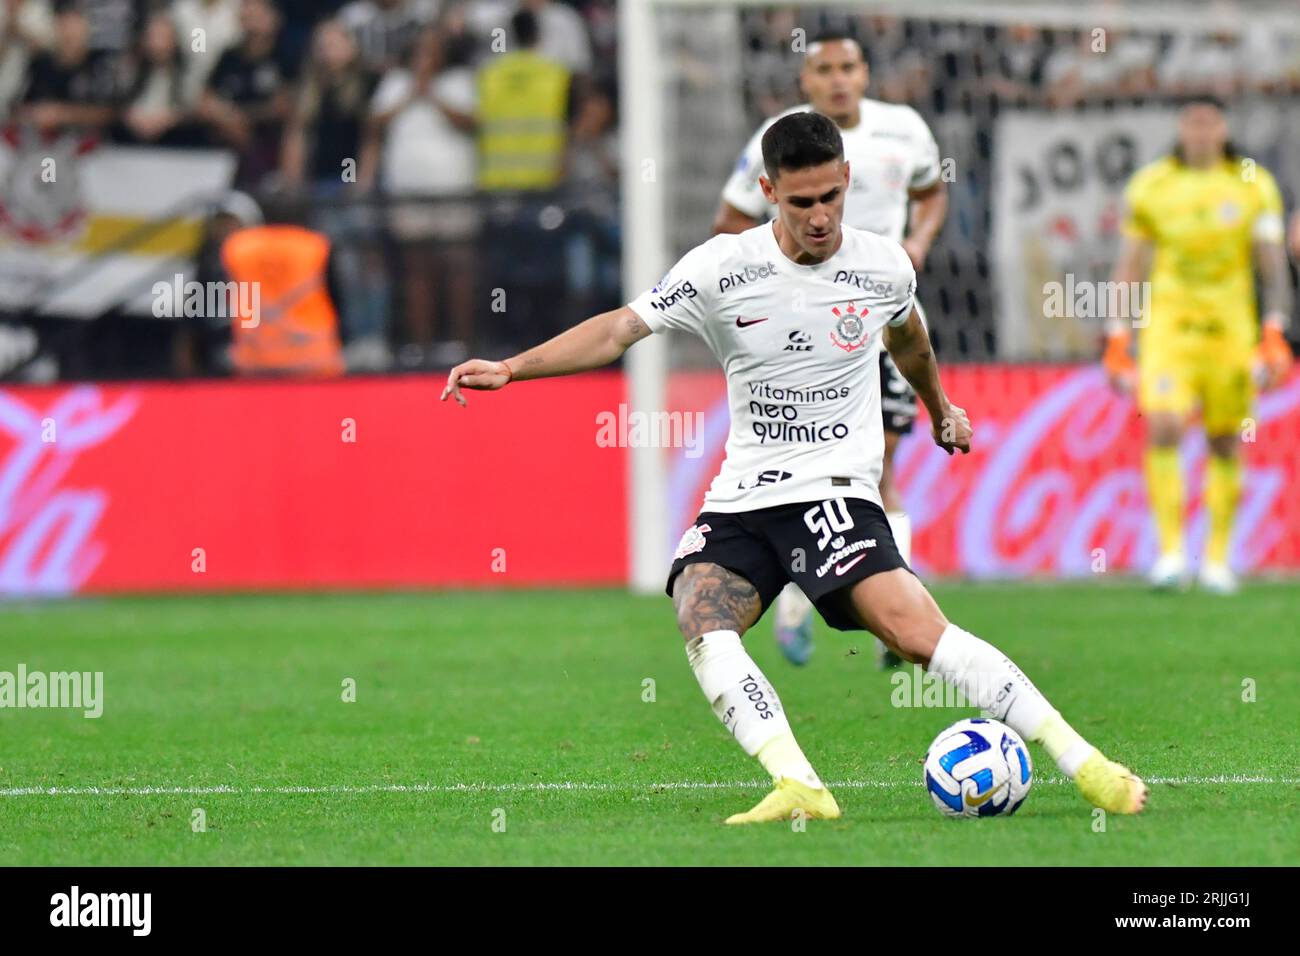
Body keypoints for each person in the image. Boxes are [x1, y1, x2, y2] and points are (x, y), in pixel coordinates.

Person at [442, 111, 1147, 824]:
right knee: (699, 609)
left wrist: (940, 409)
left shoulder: (881, 264)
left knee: (913, 635)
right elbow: (623, 328)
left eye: (829, 198)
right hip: (745, 492)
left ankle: (1087, 765)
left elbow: (910, 342)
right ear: (768, 190)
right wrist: (511, 366)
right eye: (800, 202)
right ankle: (799, 783)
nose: (819, 217)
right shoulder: (722, 267)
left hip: (834, 487)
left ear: (847, 180)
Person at [712, 32, 947, 668]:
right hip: (806, 329)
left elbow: (932, 193)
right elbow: (729, 222)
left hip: (884, 317)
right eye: (825, 70)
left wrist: (919, 242)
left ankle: (889, 613)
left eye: (848, 67)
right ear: (806, 81)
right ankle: (807, 594)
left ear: (866, 72)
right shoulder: (781, 139)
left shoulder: (905, 130)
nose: (839, 80)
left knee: (881, 466)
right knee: (815, 472)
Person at [1105, 95, 1293, 594]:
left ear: (1224, 128)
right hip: (1169, 328)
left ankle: (1216, 559)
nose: (1201, 131)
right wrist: (1118, 336)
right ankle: (1169, 553)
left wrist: (1275, 331)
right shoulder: (1153, 185)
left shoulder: (1254, 185)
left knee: (1226, 438)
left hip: (1232, 331)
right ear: (1181, 128)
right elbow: (1129, 267)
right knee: (1163, 424)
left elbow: (1273, 268)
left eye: (1210, 122)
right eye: (1192, 122)